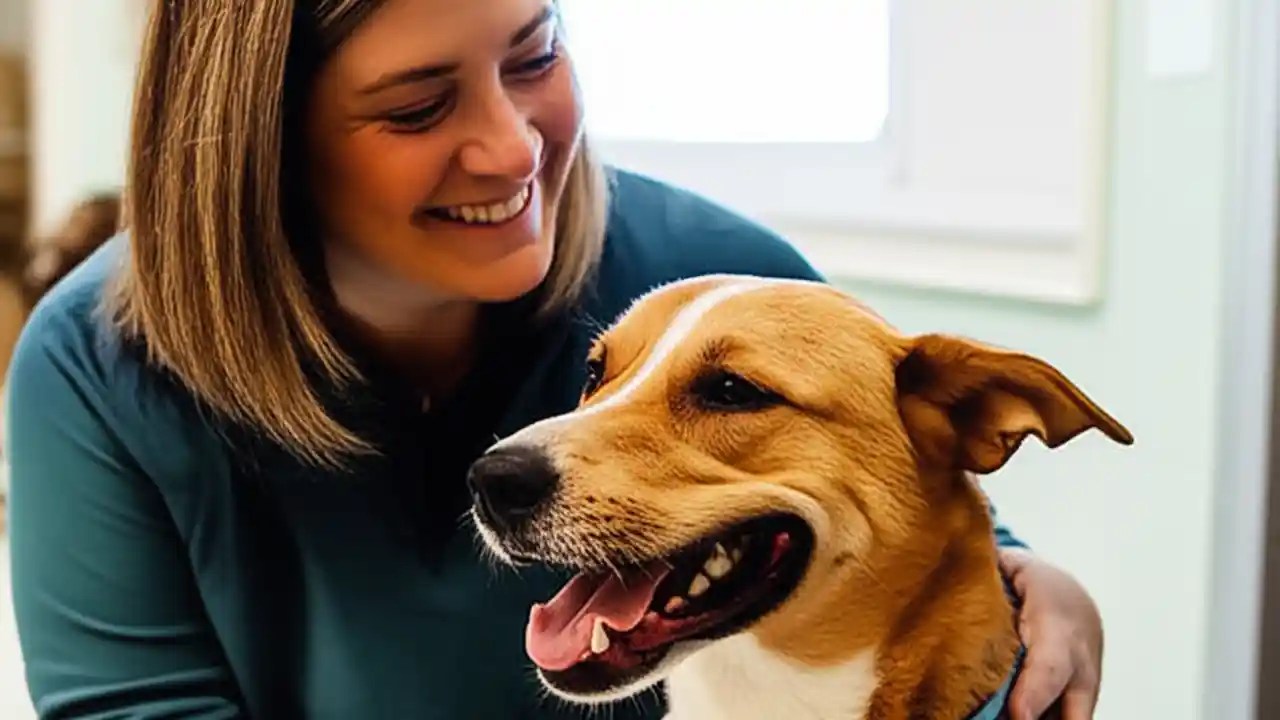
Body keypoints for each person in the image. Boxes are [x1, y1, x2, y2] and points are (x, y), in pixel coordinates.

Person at [4, 1, 1104, 718]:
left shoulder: (711, 270)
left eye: (534, 54)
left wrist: (1028, 579)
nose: (514, 147)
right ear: (261, 139)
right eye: (419, 105)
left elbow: (890, 499)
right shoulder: (98, 369)